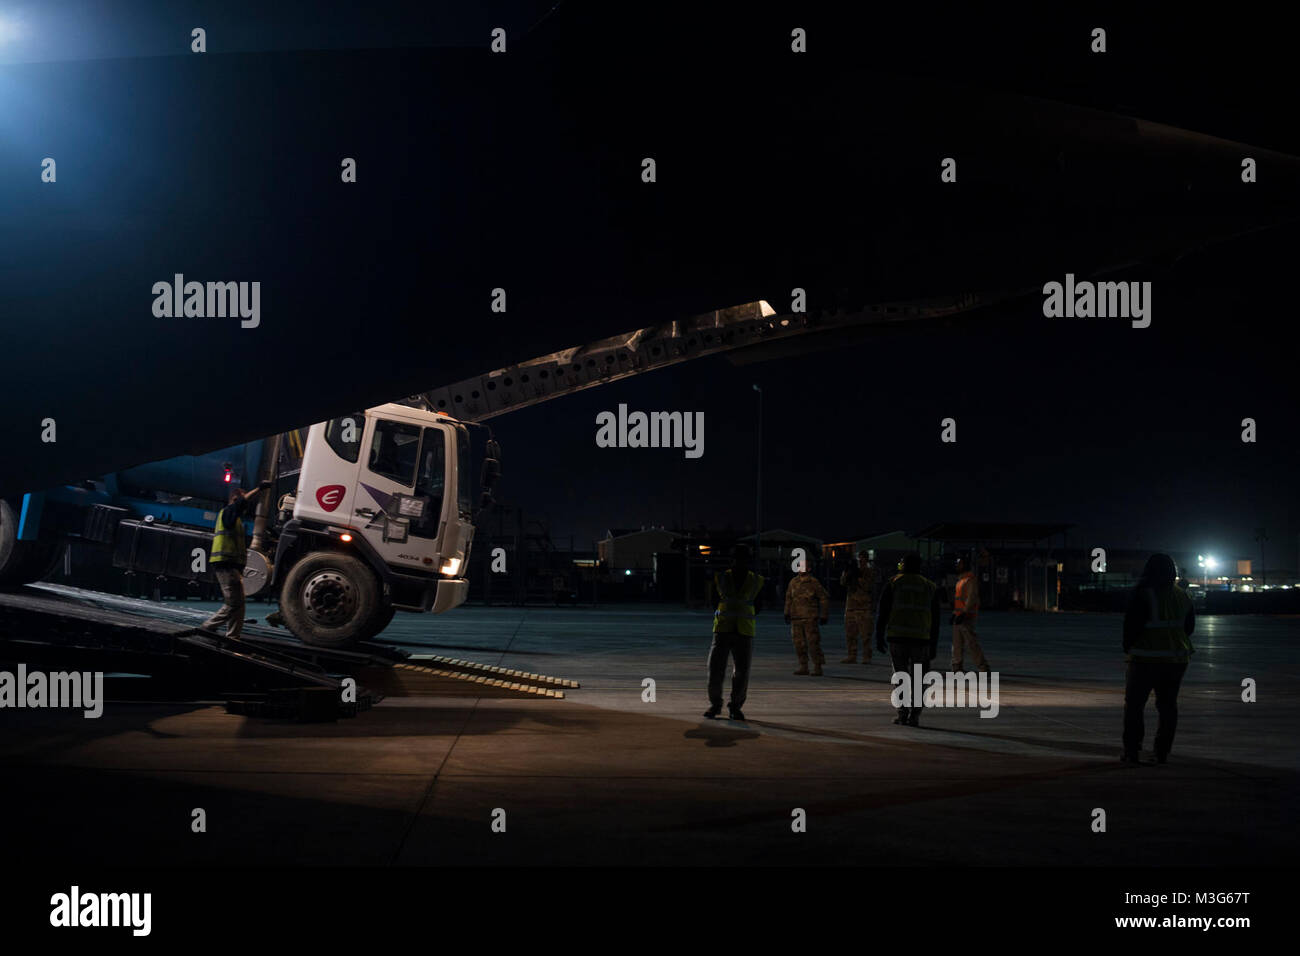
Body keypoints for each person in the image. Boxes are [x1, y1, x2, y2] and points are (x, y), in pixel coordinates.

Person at [1121, 553, 1195, 765]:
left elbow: (1131, 626)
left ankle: (1132, 751)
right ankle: (1161, 752)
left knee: (1135, 706)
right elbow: (1189, 628)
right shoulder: (1183, 595)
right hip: (1176, 660)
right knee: (1168, 706)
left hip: (1145, 659)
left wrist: (1129, 647)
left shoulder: (1143, 594)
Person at [201, 481, 271, 639]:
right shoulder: (228, 512)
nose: (246, 505)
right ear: (235, 499)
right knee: (233, 603)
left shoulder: (235, 519)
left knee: (239, 605)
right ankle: (208, 626)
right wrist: (259, 489)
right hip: (225, 565)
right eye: (242, 499)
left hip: (232, 566)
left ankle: (233, 637)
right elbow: (241, 503)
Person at [876, 553, 940, 726]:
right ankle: (915, 715)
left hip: (897, 638)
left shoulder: (894, 583)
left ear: (903, 565)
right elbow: (936, 619)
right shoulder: (929, 586)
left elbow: (882, 612)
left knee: (900, 677)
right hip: (921, 640)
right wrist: (934, 644)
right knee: (919, 679)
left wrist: (878, 635)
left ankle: (902, 713)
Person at [705, 546, 765, 721]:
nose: (740, 562)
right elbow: (758, 606)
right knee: (718, 670)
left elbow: (714, 602)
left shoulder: (756, 580)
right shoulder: (723, 578)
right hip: (727, 630)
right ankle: (719, 705)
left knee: (739, 672)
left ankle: (731, 706)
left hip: (739, 631)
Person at [785, 561, 829, 675]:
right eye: (799, 566)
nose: (801, 568)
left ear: (809, 568)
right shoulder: (793, 582)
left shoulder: (814, 582)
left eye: (804, 566)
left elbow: (823, 598)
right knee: (798, 644)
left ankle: (818, 666)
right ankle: (803, 666)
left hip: (810, 618)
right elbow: (789, 598)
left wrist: (824, 614)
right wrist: (786, 612)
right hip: (796, 618)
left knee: (813, 643)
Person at [950, 554, 991, 673]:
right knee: (957, 643)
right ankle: (957, 666)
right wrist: (955, 613)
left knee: (971, 643)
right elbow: (959, 600)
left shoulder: (969, 579)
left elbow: (971, 598)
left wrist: (964, 612)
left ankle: (983, 667)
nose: (957, 566)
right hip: (959, 616)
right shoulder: (961, 580)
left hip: (966, 617)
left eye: (960, 563)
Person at [840, 550, 877, 664]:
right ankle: (852, 655)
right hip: (851, 606)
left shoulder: (870, 571)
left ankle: (867, 656)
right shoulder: (852, 570)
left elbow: (869, 586)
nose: (861, 560)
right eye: (859, 558)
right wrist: (847, 573)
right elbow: (842, 583)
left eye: (863, 558)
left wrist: (859, 578)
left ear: (866, 559)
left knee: (866, 635)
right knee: (850, 634)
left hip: (864, 607)